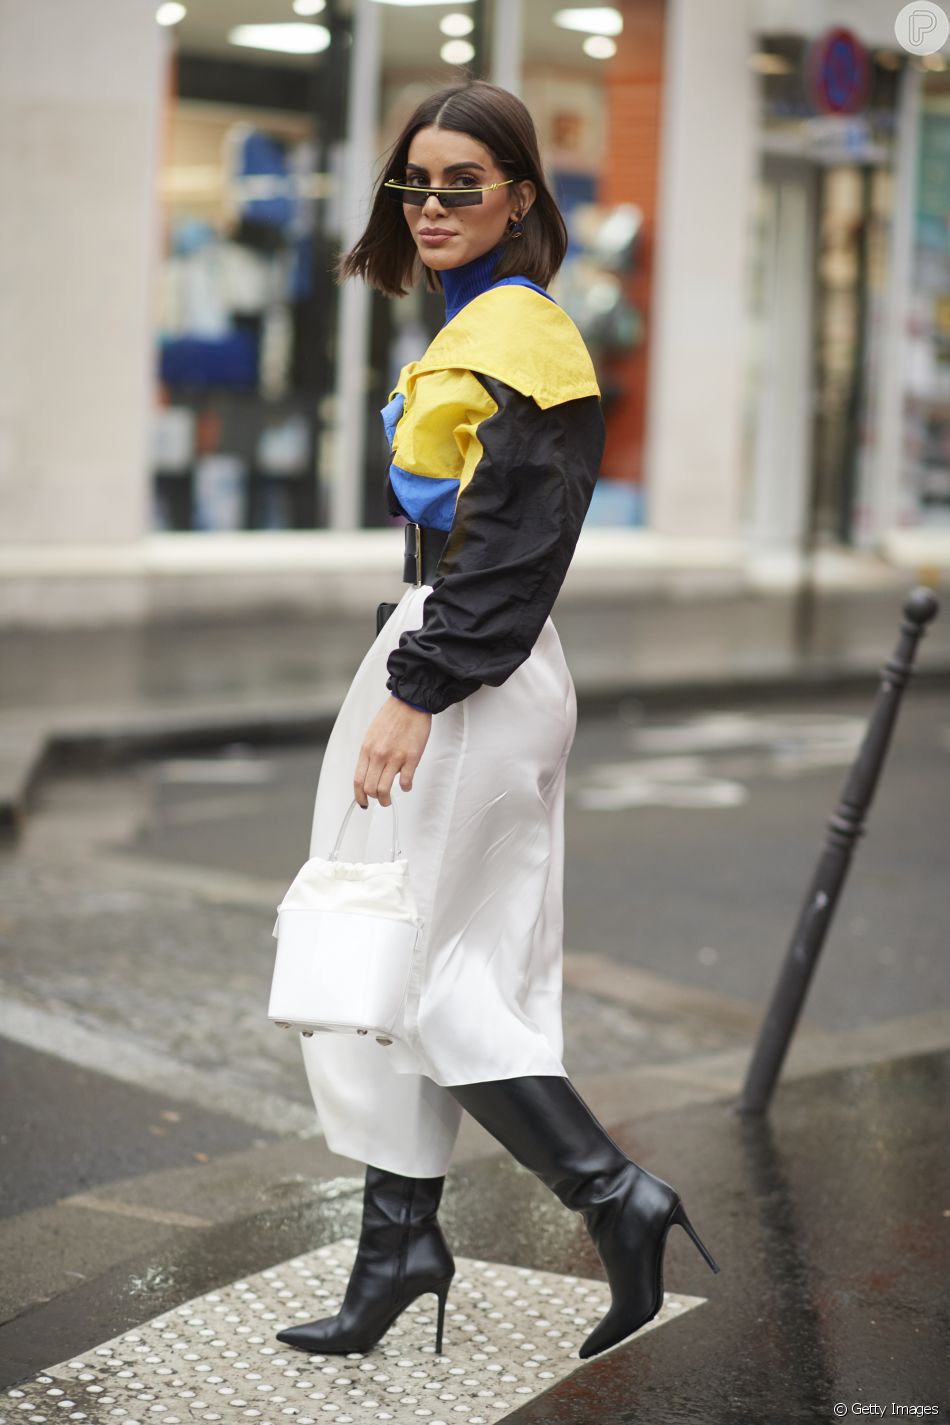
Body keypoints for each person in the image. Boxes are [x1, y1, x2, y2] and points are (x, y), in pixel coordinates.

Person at [276, 79, 718, 1363]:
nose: (430, 205)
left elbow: (521, 542)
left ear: (519, 195)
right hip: (449, 653)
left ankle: (613, 1198)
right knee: (393, 964)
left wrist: (420, 687)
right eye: (415, 183)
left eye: (461, 182)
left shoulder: (525, 334)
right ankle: (398, 1247)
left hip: (465, 668)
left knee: (413, 968)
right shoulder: (481, 325)